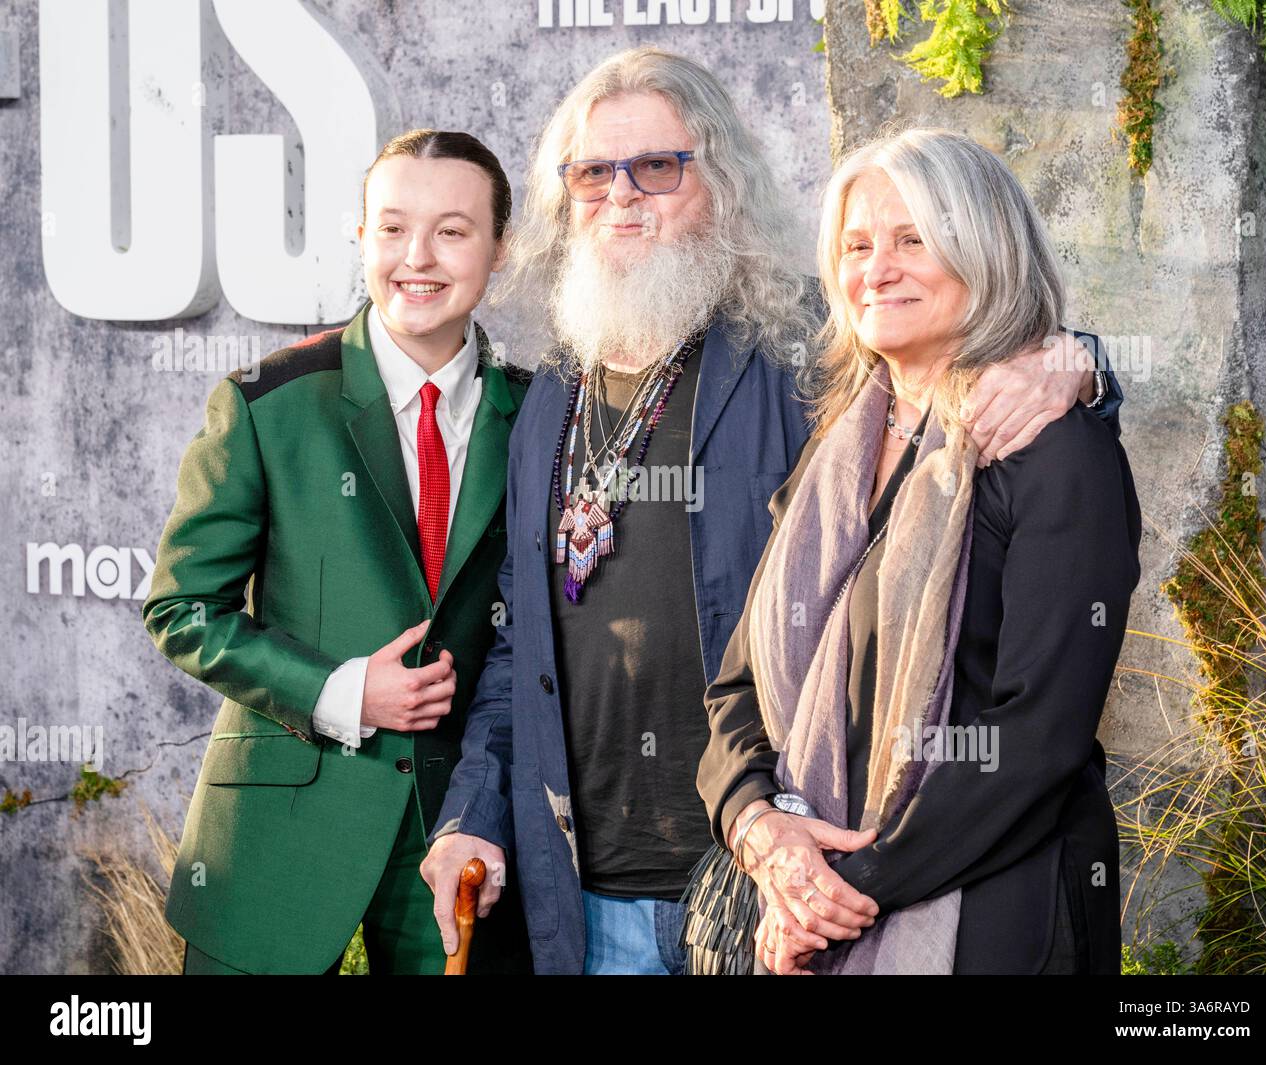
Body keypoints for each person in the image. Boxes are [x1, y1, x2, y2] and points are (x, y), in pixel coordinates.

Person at [427, 48, 1122, 975]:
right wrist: (474, 813)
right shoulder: (548, 397)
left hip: (769, 893)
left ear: (720, 180)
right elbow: (518, 648)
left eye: (657, 167)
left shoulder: (810, 358)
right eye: (593, 172)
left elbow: (955, 354)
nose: (621, 195)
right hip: (589, 895)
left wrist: (1076, 362)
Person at [697, 127, 1140, 975]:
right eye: (857, 245)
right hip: (810, 895)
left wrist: (842, 891)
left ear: (985, 251)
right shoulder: (834, 452)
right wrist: (763, 830)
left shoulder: (1053, 451)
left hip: (994, 924)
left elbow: (1037, 736)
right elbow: (736, 686)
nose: (878, 268)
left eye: (913, 240)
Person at [142, 129, 531, 974]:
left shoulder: (540, 420)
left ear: (500, 247)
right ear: (361, 239)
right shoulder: (266, 405)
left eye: (452, 230)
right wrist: (342, 690)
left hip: (455, 842)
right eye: (391, 228)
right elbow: (179, 609)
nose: (416, 257)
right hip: (277, 844)